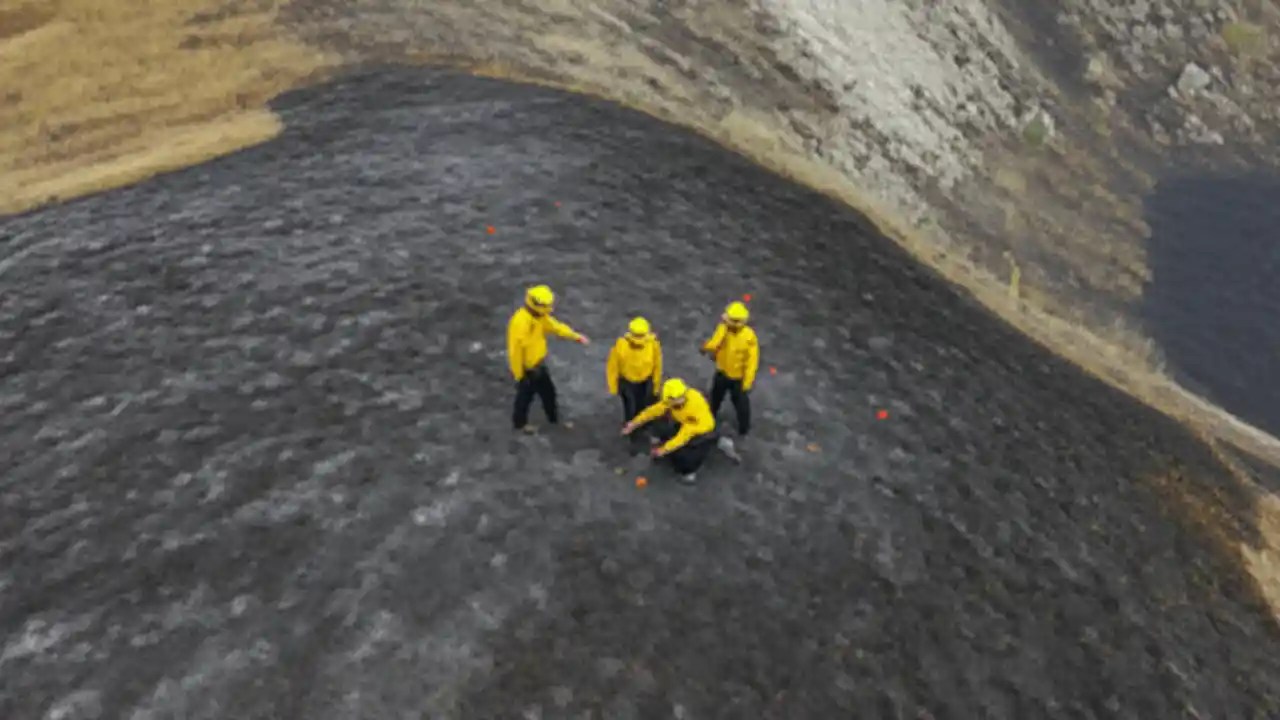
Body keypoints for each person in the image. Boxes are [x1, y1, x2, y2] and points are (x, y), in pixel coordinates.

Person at [507, 284, 590, 432]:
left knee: (548, 394)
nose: (550, 309)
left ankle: (552, 419)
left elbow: (555, 326)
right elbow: (515, 351)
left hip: (538, 365)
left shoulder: (539, 317)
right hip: (528, 369)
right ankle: (520, 424)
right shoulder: (520, 323)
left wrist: (576, 336)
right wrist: (519, 375)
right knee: (524, 398)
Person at [621, 378, 717, 484]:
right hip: (683, 422)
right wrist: (634, 423)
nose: (668, 404)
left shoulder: (695, 410)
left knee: (686, 456)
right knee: (663, 425)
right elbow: (654, 411)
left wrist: (663, 450)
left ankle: (689, 471)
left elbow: (683, 436)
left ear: (679, 397)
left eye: (670, 401)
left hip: (701, 432)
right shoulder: (675, 400)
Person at [700, 300, 759, 437]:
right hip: (722, 371)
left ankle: (744, 427)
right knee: (715, 396)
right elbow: (716, 341)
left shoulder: (749, 338)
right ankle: (709, 417)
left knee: (741, 404)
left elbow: (752, 362)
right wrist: (706, 347)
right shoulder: (724, 328)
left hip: (737, 378)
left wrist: (747, 382)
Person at [606, 316, 663, 439]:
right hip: (627, 383)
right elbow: (612, 366)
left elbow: (657, 364)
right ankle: (631, 429)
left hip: (645, 382)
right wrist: (613, 386)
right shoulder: (620, 345)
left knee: (644, 405)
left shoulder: (653, 344)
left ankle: (641, 425)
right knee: (630, 408)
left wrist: (656, 384)